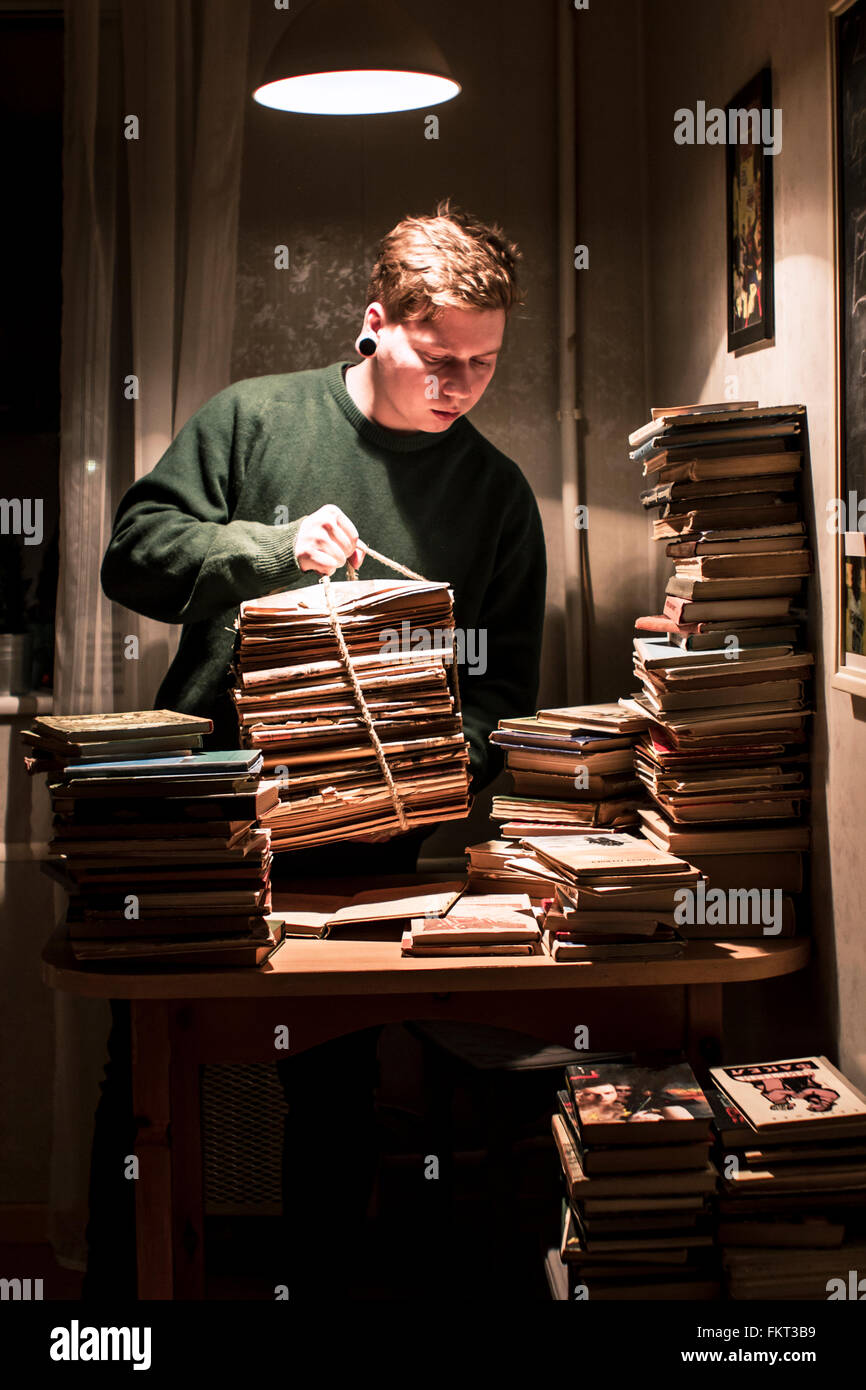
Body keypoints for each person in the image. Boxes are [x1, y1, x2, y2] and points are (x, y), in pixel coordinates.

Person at [84, 200, 547, 1298]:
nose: (460, 388)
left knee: (333, 1093)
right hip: (200, 823)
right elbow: (133, 558)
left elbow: (503, 699)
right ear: (372, 323)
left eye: (484, 365)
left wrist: (427, 761)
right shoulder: (252, 419)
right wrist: (268, 547)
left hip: (364, 851)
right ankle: (113, 1315)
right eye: (437, 359)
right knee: (141, 1079)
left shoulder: (495, 497)